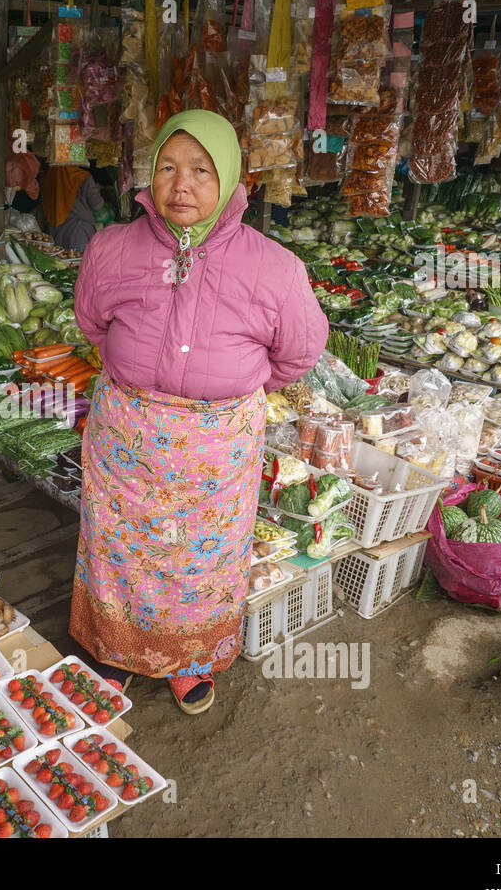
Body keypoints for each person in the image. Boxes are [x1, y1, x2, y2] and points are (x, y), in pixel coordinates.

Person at [69, 110, 328, 715]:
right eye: (167, 168)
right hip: (127, 440)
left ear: (232, 179)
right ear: (149, 177)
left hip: (214, 453)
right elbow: (93, 323)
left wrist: (228, 399)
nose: (180, 185)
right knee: (119, 550)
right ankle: (113, 652)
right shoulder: (112, 248)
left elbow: (298, 353)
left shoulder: (276, 269)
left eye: (201, 171)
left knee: (198, 557)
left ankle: (190, 661)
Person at [39, 164, 108, 253]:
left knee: (60, 262)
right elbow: (97, 205)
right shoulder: (81, 177)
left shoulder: (47, 176)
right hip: (79, 233)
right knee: (79, 263)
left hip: (55, 232)